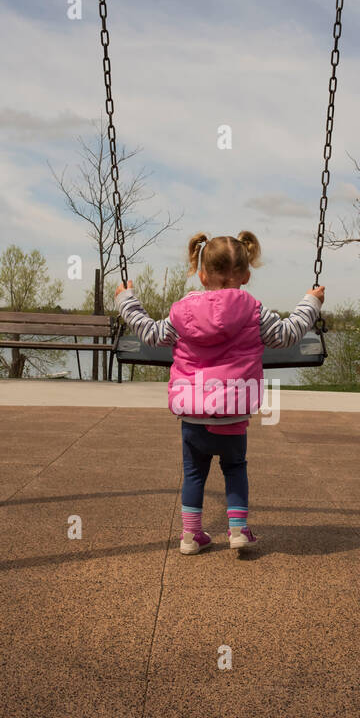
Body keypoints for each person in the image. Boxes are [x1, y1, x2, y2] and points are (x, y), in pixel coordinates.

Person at [115, 231, 324, 554]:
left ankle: (190, 536)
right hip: (232, 413)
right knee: (235, 468)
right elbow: (287, 334)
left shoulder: (182, 311)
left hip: (192, 412)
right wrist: (311, 302)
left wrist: (126, 299)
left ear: (201, 273)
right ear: (245, 275)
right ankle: (238, 530)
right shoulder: (255, 312)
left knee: (194, 472)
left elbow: (151, 333)